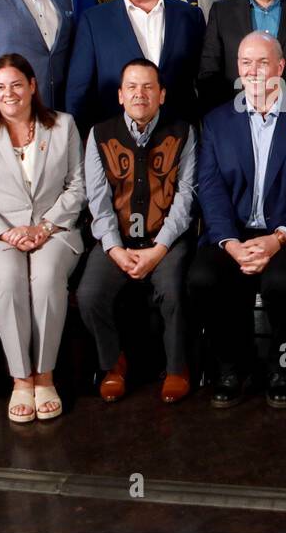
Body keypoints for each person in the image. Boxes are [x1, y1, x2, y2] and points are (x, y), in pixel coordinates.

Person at [190, 32, 286, 409]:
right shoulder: (217, 122)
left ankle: (284, 367)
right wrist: (230, 244)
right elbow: (211, 189)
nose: (253, 71)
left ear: (280, 68)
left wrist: (279, 238)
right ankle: (233, 364)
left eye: (262, 62)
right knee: (205, 277)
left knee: (283, 281)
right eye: (245, 63)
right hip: (233, 233)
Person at [0, 54, 85, 423]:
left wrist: (44, 227)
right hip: (0, 233)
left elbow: (78, 186)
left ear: (32, 86)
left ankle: (45, 376)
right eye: (0, 87)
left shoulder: (63, 125)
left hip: (54, 230)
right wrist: (6, 231)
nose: (9, 93)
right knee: (10, 281)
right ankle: (20, 379)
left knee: (46, 278)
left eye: (17, 84)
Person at [78, 58, 197, 404]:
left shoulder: (184, 131)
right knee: (89, 295)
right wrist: (115, 249)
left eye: (148, 87)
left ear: (161, 94)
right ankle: (113, 363)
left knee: (173, 289)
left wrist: (159, 249)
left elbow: (186, 197)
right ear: (120, 95)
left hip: (166, 240)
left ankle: (177, 367)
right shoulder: (99, 134)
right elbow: (97, 203)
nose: (139, 94)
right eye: (131, 87)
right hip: (117, 241)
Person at [65, 0, 205, 133]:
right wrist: (80, 140)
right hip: (114, 139)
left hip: (179, 137)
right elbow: (78, 90)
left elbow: (204, 81)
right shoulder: (94, 21)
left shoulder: (190, 16)